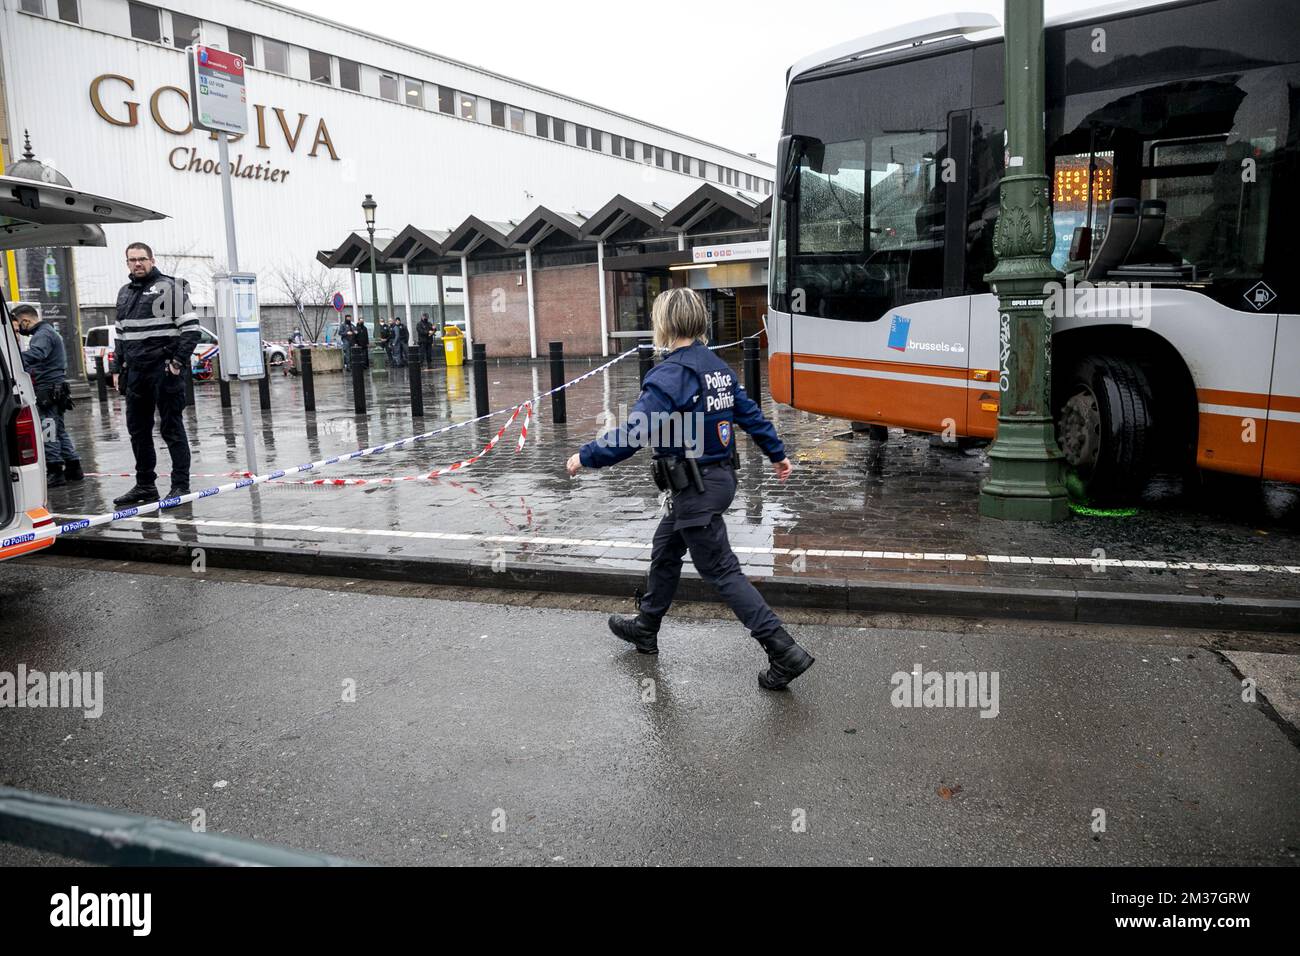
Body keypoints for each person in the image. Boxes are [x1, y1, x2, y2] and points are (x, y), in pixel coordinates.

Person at [565, 288, 814, 691]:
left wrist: (588, 455)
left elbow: (636, 433)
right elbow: (749, 414)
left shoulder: (670, 374)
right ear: (699, 322)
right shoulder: (716, 366)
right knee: (666, 549)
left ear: (663, 324)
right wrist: (777, 454)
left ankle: (782, 650)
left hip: (695, 489)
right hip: (713, 482)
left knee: (721, 570)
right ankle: (647, 626)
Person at [110, 242, 201, 506]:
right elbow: (121, 336)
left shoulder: (169, 288)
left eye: (142, 259)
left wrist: (176, 364)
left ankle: (180, 486)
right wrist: (117, 369)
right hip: (136, 375)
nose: (137, 264)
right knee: (138, 432)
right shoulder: (124, 293)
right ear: (126, 263)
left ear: (152, 260)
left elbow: (191, 330)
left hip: (163, 372)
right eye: (132, 260)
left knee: (172, 429)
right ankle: (145, 487)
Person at [14, 305, 81, 488]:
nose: (21, 330)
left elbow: (36, 354)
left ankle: (55, 471)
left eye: (20, 326)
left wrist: (13, 361)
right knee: (58, 429)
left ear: (26, 320)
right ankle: (74, 467)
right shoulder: (48, 332)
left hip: (47, 390)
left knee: (48, 430)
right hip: (55, 389)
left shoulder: (42, 335)